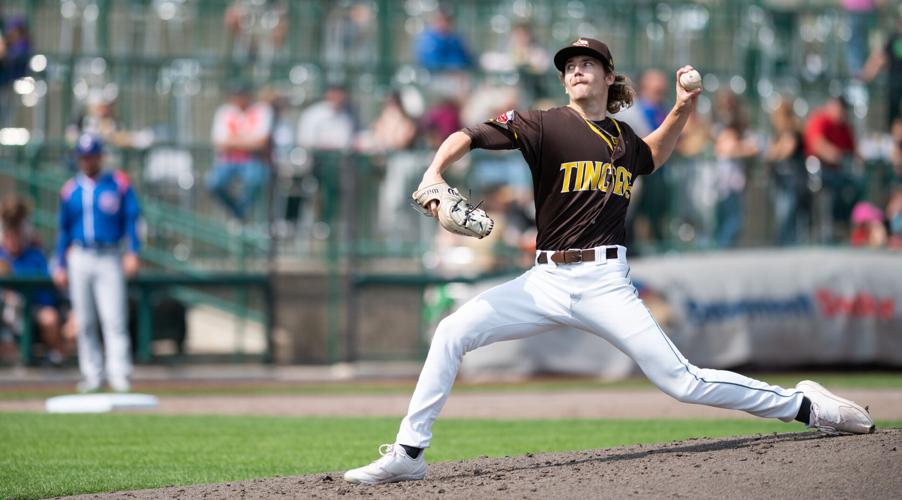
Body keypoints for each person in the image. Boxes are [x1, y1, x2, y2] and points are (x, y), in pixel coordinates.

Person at [342, 37, 875, 486]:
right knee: (452, 331)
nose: (576, 70)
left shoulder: (622, 139)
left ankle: (805, 405)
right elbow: (471, 134)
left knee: (682, 382)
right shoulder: (545, 124)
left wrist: (682, 107)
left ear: (608, 76)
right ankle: (409, 453)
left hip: (604, 281)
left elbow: (653, 156)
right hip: (545, 280)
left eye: (586, 63)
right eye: (569, 66)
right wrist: (433, 173)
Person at [53, 134, 141, 393]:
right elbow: (63, 230)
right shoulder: (71, 189)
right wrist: (59, 263)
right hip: (80, 255)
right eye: (83, 156)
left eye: (91, 156)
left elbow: (131, 219)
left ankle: (119, 374)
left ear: (100, 157)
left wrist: (133, 252)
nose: (87, 161)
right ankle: (92, 375)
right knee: (85, 320)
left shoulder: (117, 184)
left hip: (109, 254)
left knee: (114, 318)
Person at [0, 196, 70, 365]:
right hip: (6, 309)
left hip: (33, 307)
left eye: (18, 233)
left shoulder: (35, 254)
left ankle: (57, 358)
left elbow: (47, 291)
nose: (14, 238)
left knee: (50, 317)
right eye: (10, 234)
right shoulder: (2, 255)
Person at [207, 82, 273, 221]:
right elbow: (220, 143)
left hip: (253, 160)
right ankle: (239, 213)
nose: (239, 99)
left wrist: (234, 140)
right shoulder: (225, 112)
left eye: (242, 95)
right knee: (214, 183)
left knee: (254, 180)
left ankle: (240, 213)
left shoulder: (261, 110)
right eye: (236, 95)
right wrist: (248, 141)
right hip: (228, 160)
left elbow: (260, 143)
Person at [803, 96, 862, 242]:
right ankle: (829, 229)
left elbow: (855, 151)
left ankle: (845, 226)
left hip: (838, 173)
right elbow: (818, 144)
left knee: (858, 184)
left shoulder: (844, 127)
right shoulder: (820, 120)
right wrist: (838, 156)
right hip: (818, 172)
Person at [713, 94, 759, 248]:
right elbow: (726, 149)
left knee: (734, 219)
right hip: (725, 184)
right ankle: (721, 247)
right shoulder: (723, 131)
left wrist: (740, 148)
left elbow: (754, 148)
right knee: (732, 220)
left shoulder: (740, 132)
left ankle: (724, 247)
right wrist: (741, 148)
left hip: (735, 183)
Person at [765, 99, 809, 245]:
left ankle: (787, 242)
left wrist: (777, 151)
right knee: (782, 212)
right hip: (779, 179)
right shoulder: (778, 134)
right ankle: (784, 242)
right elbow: (770, 153)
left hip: (793, 180)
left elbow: (785, 151)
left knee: (788, 212)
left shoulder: (793, 132)